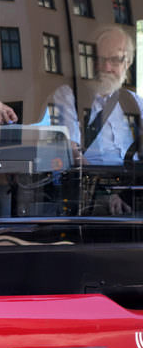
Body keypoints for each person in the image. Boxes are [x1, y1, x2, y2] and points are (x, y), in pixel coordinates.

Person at [51, 26, 143, 214]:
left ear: (128, 63)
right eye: (99, 59)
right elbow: (72, 153)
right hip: (90, 197)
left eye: (115, 59)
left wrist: (124, 194)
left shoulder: (136, 102)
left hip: (133, 193)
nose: (106, 68)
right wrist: (106, 192)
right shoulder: (71, 95)